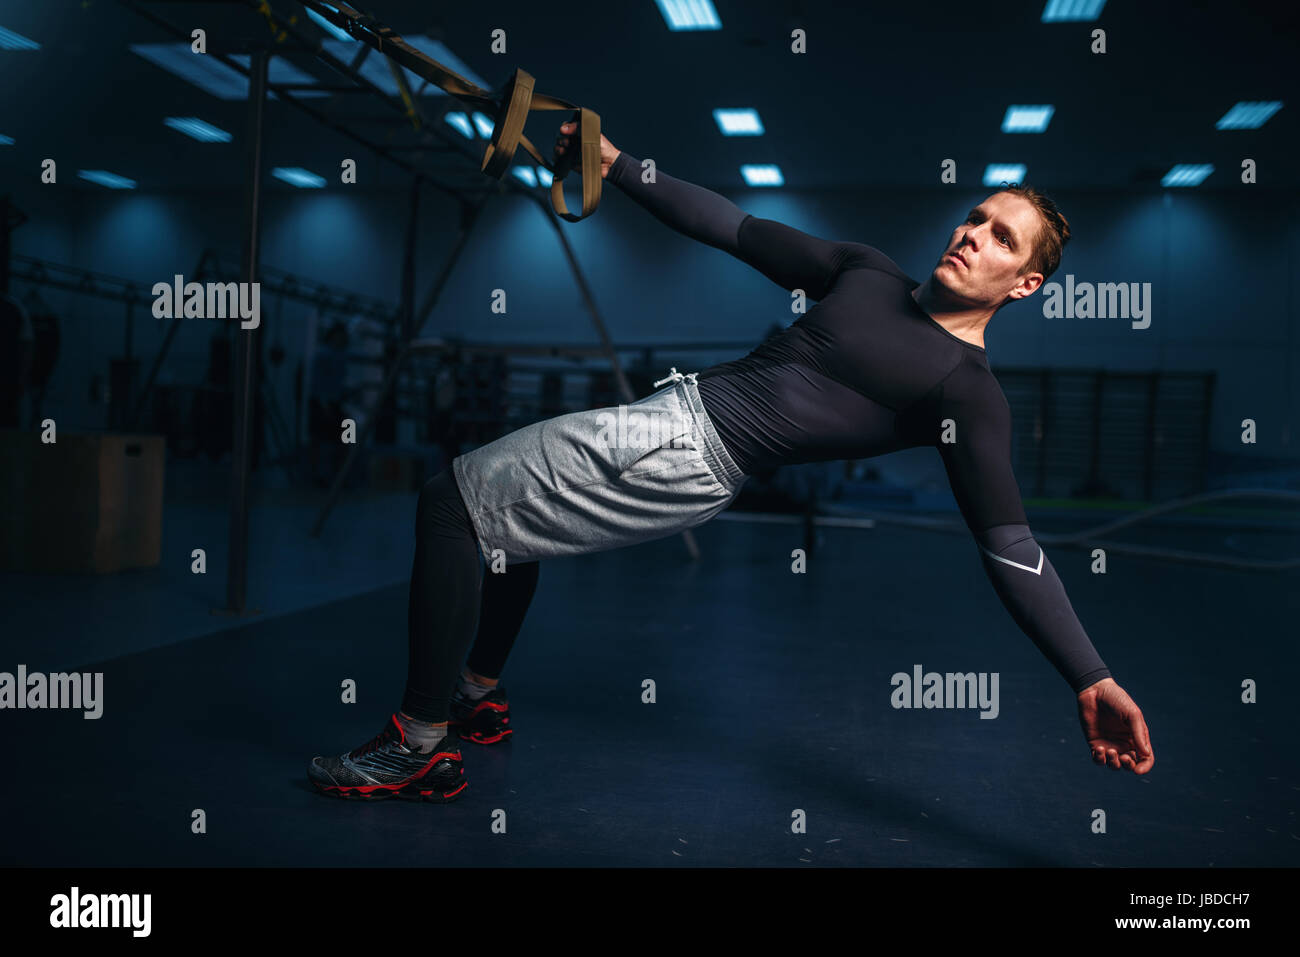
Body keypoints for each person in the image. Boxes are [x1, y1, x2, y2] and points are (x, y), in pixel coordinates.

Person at [307, 120, 1155, 802]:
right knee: (504, 532)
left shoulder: (966, 391)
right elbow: (733, 227)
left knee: (451, 503)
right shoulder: (867, 272)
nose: (972, 235)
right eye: (975, 217)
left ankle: (417, 744)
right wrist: (619, 162)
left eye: (1002, 238)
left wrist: (1089, 673)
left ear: (1026, 284)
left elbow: (1010, 544)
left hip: (685, 450)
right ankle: (474, 698)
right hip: (670, 419)